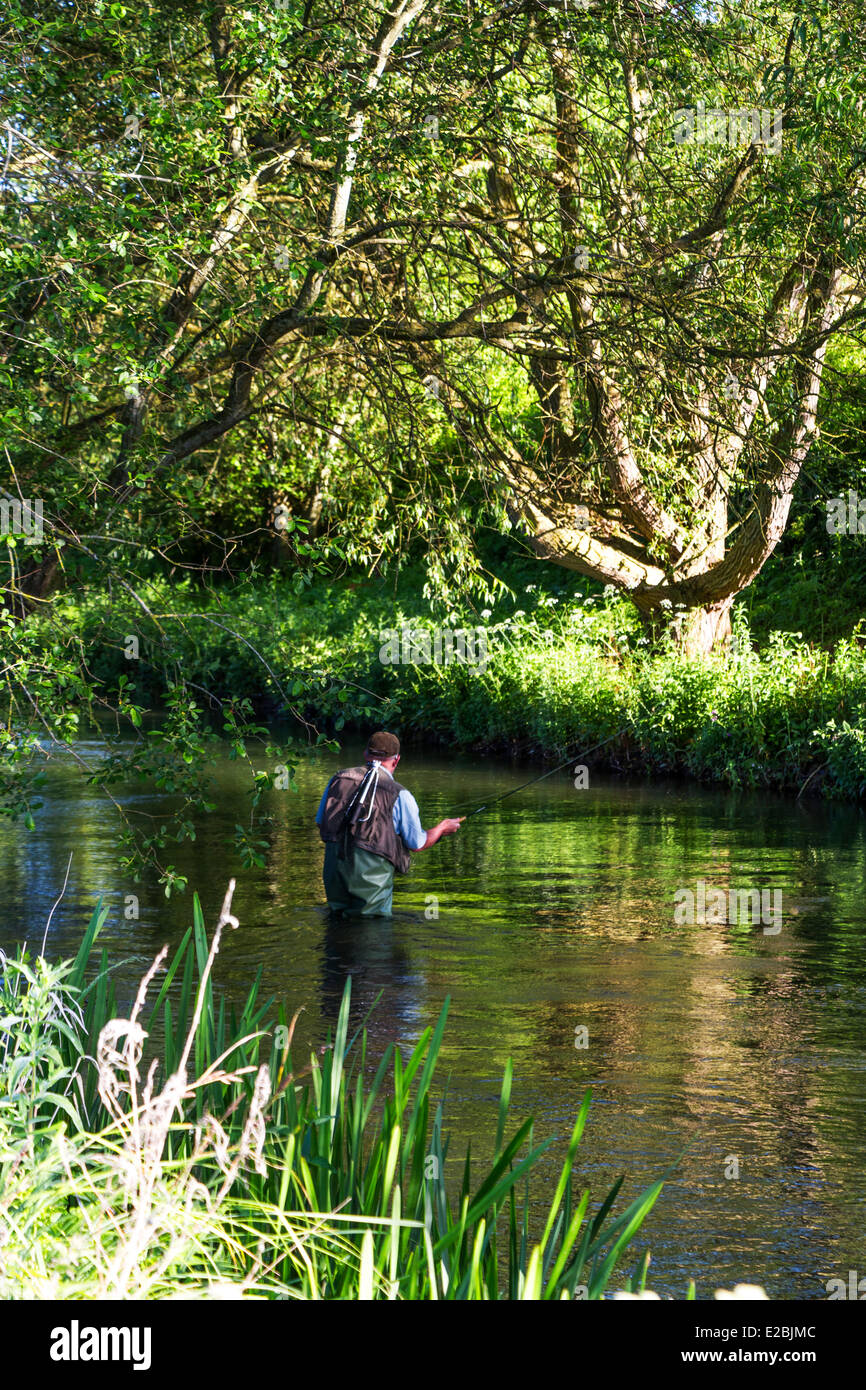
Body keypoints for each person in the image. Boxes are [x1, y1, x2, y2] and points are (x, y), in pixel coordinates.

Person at [315, 731, 463, 917]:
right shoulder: (400, 794)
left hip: (334, 871)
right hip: (371, 883)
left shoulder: (338, 779)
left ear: (366, 754)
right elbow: (417, 843)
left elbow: (322, 824)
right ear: (396, 760)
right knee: (372, 931)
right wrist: (441, 829)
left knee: (336, 926)